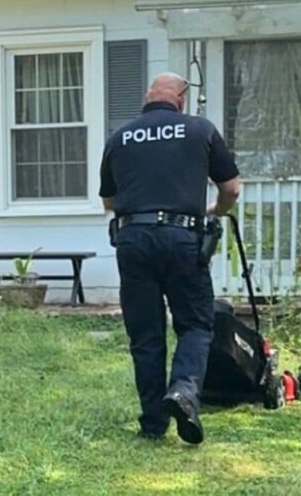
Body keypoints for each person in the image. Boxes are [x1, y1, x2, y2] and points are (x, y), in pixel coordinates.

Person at [99, 72, 241, 445]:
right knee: (195, 324)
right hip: (182, 237)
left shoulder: (120, 137)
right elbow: (231, 188)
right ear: (180, 98)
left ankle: (153, 423)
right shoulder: (199, 130)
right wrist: (216, 211)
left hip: (132, 237)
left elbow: (109, 201)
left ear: (149, 97)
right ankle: (183, 392)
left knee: (145, 334)